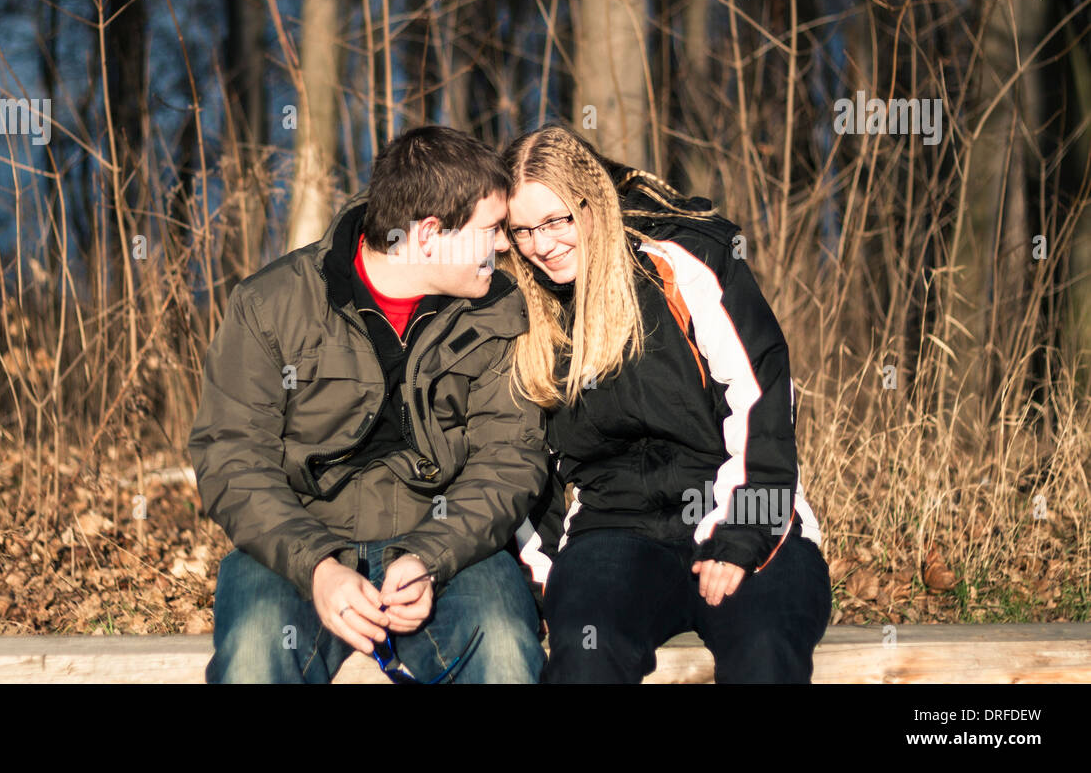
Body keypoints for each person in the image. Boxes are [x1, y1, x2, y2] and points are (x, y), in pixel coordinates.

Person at [189, 126, 548, 683]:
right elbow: (232, 457)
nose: (505, 246)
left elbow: (510, 459)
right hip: (297, 544)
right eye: (491, 229)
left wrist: (431, 557)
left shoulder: (497, 311)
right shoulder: (271, 304)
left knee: (503, 651)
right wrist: (318, 568)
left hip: (449, 545)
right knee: (255, 656)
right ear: (429, 234)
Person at [501, 125, 831, 683]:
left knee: (766, 649)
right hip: (614, 528)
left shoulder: (682, 260)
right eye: (523, 229)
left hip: (737, 509)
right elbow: (526, 461)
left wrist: (741, 537)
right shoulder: (521, 307)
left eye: (557, 220)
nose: (542, 244)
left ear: (593, 201)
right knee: (586, 654)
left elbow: (761, 398)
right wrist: (542, 575)